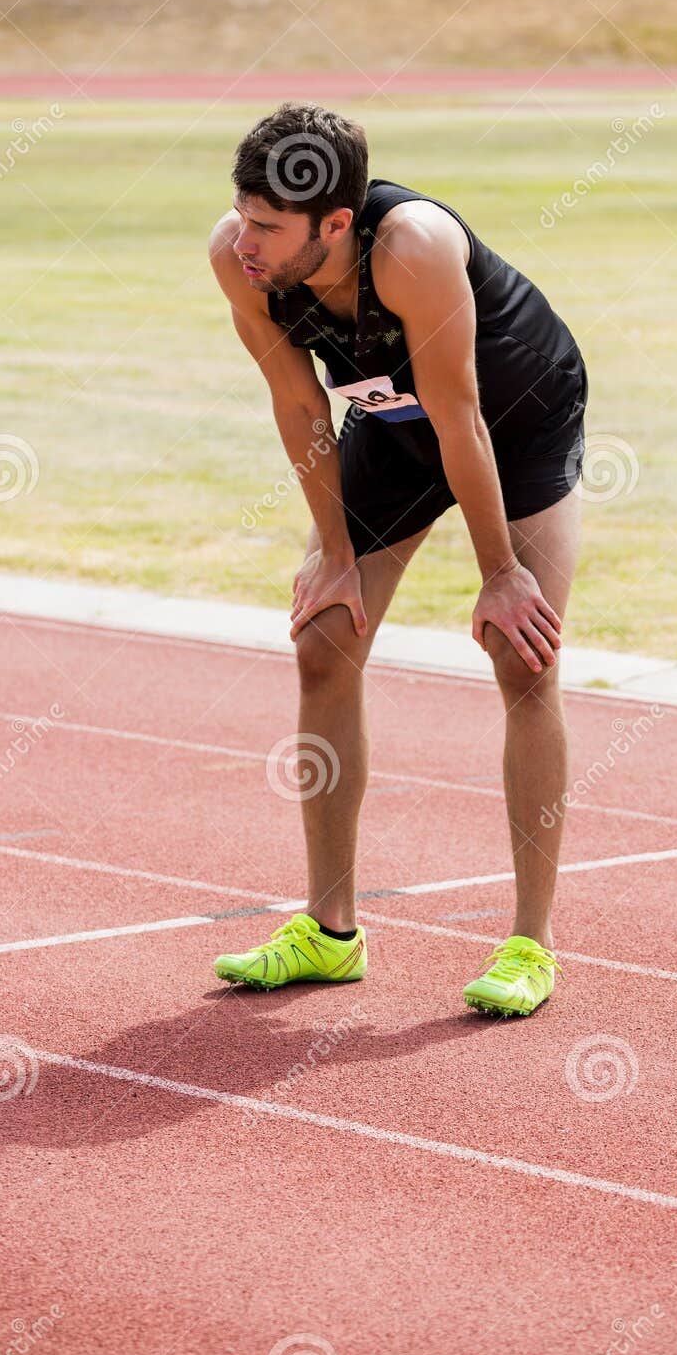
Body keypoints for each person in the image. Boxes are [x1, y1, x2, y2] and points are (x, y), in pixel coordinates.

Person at [208, 103, 588, 1016]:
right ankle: (329, 931)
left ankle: (529, 944)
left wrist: (501, 575)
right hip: (393, 422)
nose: (245, 241)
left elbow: (462, 415)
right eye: (243, 214)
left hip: (516, 420)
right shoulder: (239, 260)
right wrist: (333, 554)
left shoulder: (412, 248)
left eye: (269, 226)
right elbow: (299, 407)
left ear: (335, 224)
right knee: (323, 639)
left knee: (521, 652)